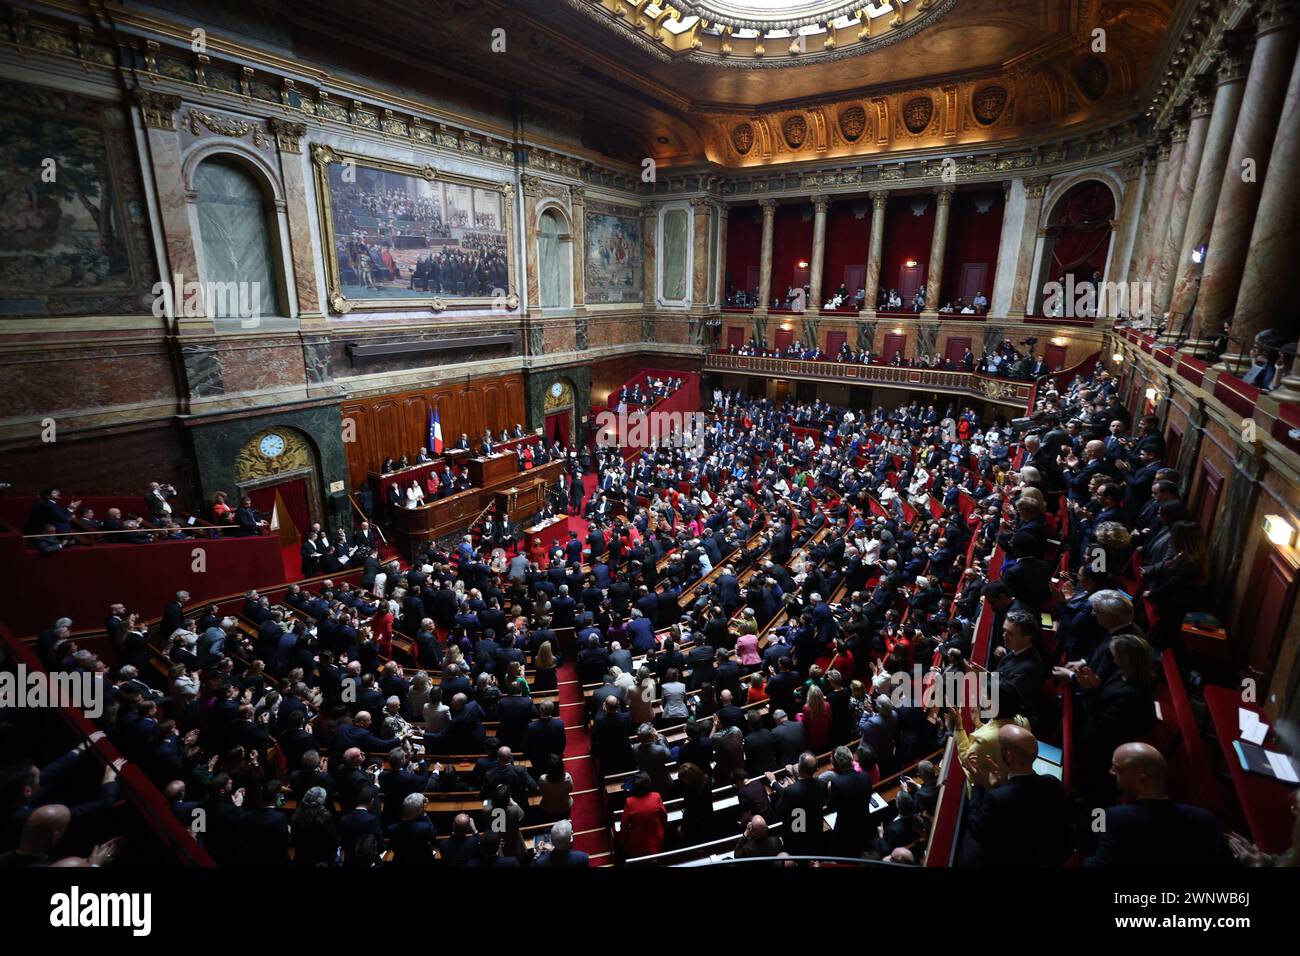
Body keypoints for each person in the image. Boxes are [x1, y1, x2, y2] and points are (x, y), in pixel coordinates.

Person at [1084, 743, 1233, 867]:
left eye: (1117, 770)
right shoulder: (1205, 818)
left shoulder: (1111, 817)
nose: (1111, 772)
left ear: (1141, 780)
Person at [958, 724, 1066, 866]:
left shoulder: (996, 799)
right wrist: (1001, 786)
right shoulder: (1053, 783)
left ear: (1009, 755)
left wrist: (978, 785)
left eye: (1000, 745)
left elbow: (975, 826)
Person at [620, 773, 667, 859]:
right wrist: (662, 830)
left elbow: (624, 825)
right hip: (657, 837)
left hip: (638, 841)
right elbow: (664, 817)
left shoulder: (630, 802)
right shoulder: (656, 796)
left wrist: (624, 843)